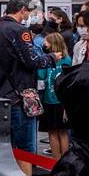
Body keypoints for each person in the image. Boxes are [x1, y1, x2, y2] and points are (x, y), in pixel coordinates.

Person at [0, 0, 43, 175]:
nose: (29, 16)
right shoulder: (19, 30)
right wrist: (51, 58)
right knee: (26, 148)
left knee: (7, 147)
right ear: (22, 10)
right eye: (29, 12)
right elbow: (31, 61)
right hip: (19, 95)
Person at [36, 33, 72, 162]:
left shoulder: (62, 60)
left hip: (56, 100)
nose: (44, 44)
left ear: (53, 43)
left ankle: (60, 162)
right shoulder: (65, 59)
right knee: (57, 131)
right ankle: (59, 162)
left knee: (58, 132)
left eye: (46, 42)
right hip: (54, 100)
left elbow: (41, 77)